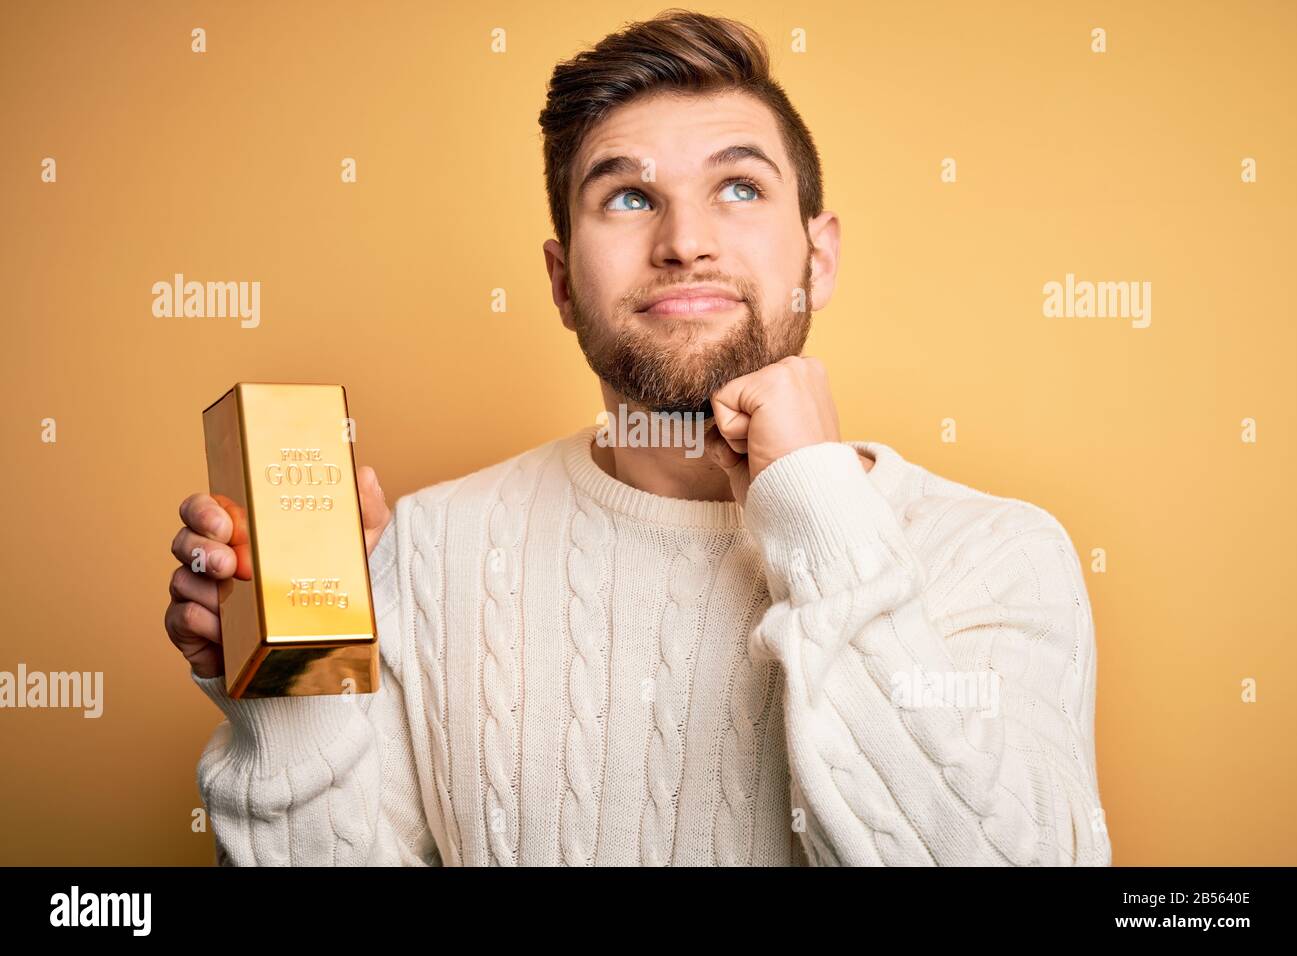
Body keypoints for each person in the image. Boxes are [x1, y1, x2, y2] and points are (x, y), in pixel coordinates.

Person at [165, 9, 1110, 866]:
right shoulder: (427, 552)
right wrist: (290, 699)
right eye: (625, 197)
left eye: (739, 188)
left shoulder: (997, 556)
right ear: (563, 282)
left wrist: (825, 516)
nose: (685, 240)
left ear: (817, 261)